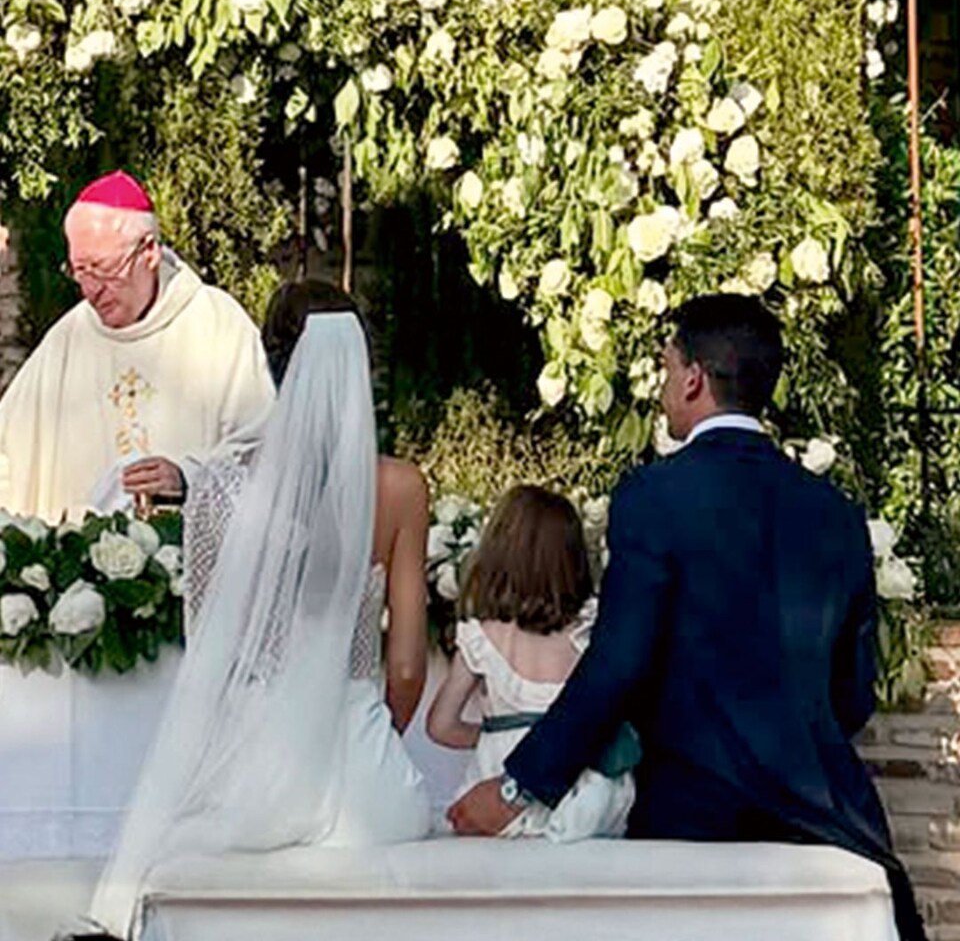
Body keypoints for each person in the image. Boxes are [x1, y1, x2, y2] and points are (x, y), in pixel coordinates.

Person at [448, 293, 926, 941]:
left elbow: (618, 662)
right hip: (824, 818)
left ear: (694, 377)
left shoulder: (654, 496)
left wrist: (518, 789)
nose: (666, 387)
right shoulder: (835, 513)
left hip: (690, 815)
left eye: (669, 369)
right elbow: (852, 688)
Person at [85, 280, 430, 940]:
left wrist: (189, 483)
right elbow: (408, 667)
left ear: (275, 365)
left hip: (251, 780)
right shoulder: (401, 489)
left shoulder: (228, 488)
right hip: (367, 786)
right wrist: (366, 737)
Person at [0, 171, 274, 520]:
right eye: (80, 270)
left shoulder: (217, 324)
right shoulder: (69, 338)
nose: (90, 289)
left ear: (149, 253)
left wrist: (188, 478)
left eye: (103, 269)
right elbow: (9, 450)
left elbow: (261, 449)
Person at [427, 483, 634, 840]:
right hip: (578, 790)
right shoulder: (591, 628)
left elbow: (440, 726)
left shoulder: (481, 636)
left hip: (499, 786)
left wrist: (497, 735)